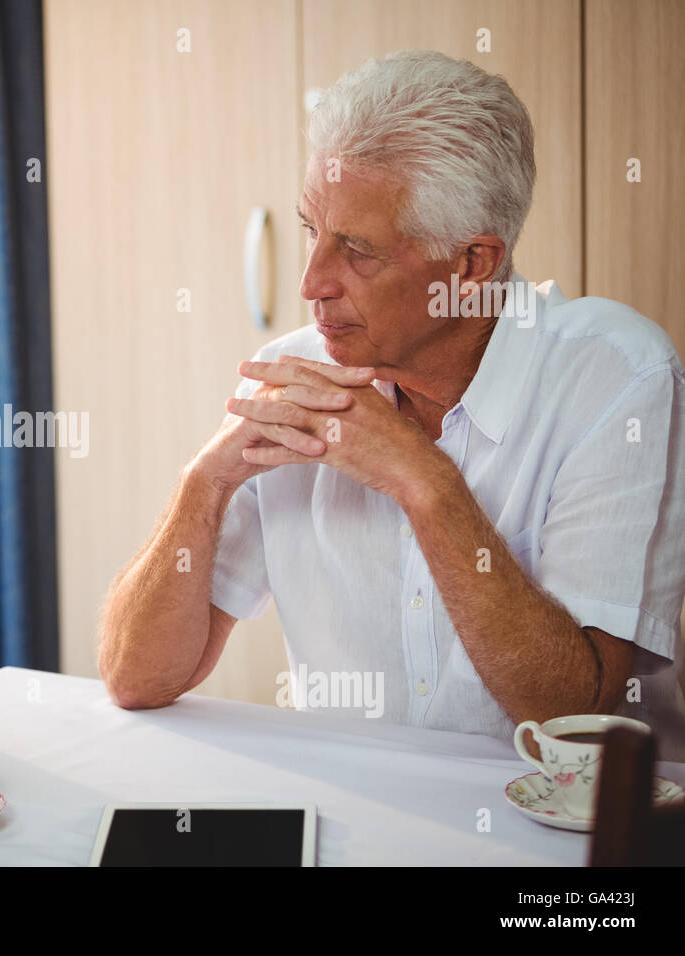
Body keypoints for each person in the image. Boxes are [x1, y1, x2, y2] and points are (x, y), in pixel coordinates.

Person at [98, 50, 685, 760]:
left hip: (558, 834)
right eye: (312, 229)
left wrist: (424, 480)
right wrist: (203, 483)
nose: (312, 281)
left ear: (472, 266)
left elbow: (573, 716)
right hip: (355, 821)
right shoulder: (302, 376)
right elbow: (137, 680)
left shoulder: (617, 378)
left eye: (357, 251)